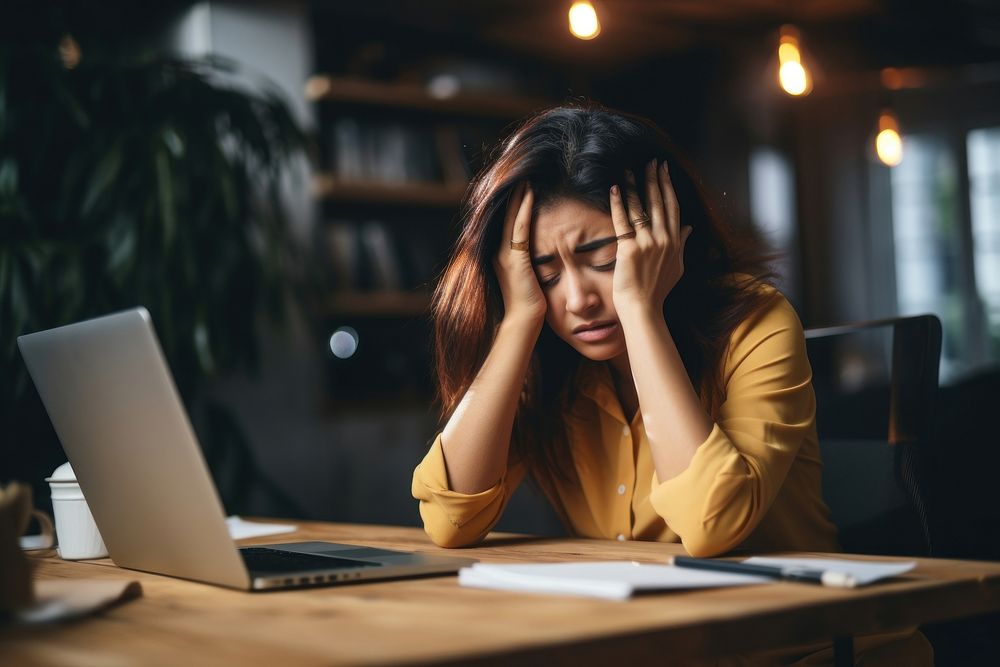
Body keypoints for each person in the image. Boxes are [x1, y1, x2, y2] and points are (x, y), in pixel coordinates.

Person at [411, 104, 929, 663]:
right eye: (546, 273)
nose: (578, 299)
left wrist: (640, 309)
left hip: (814, 651)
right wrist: (516, 322)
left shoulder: (759, 320)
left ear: (663, 235)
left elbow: (713, 523)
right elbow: (449, 519)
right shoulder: (541, 357)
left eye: (604, 257)